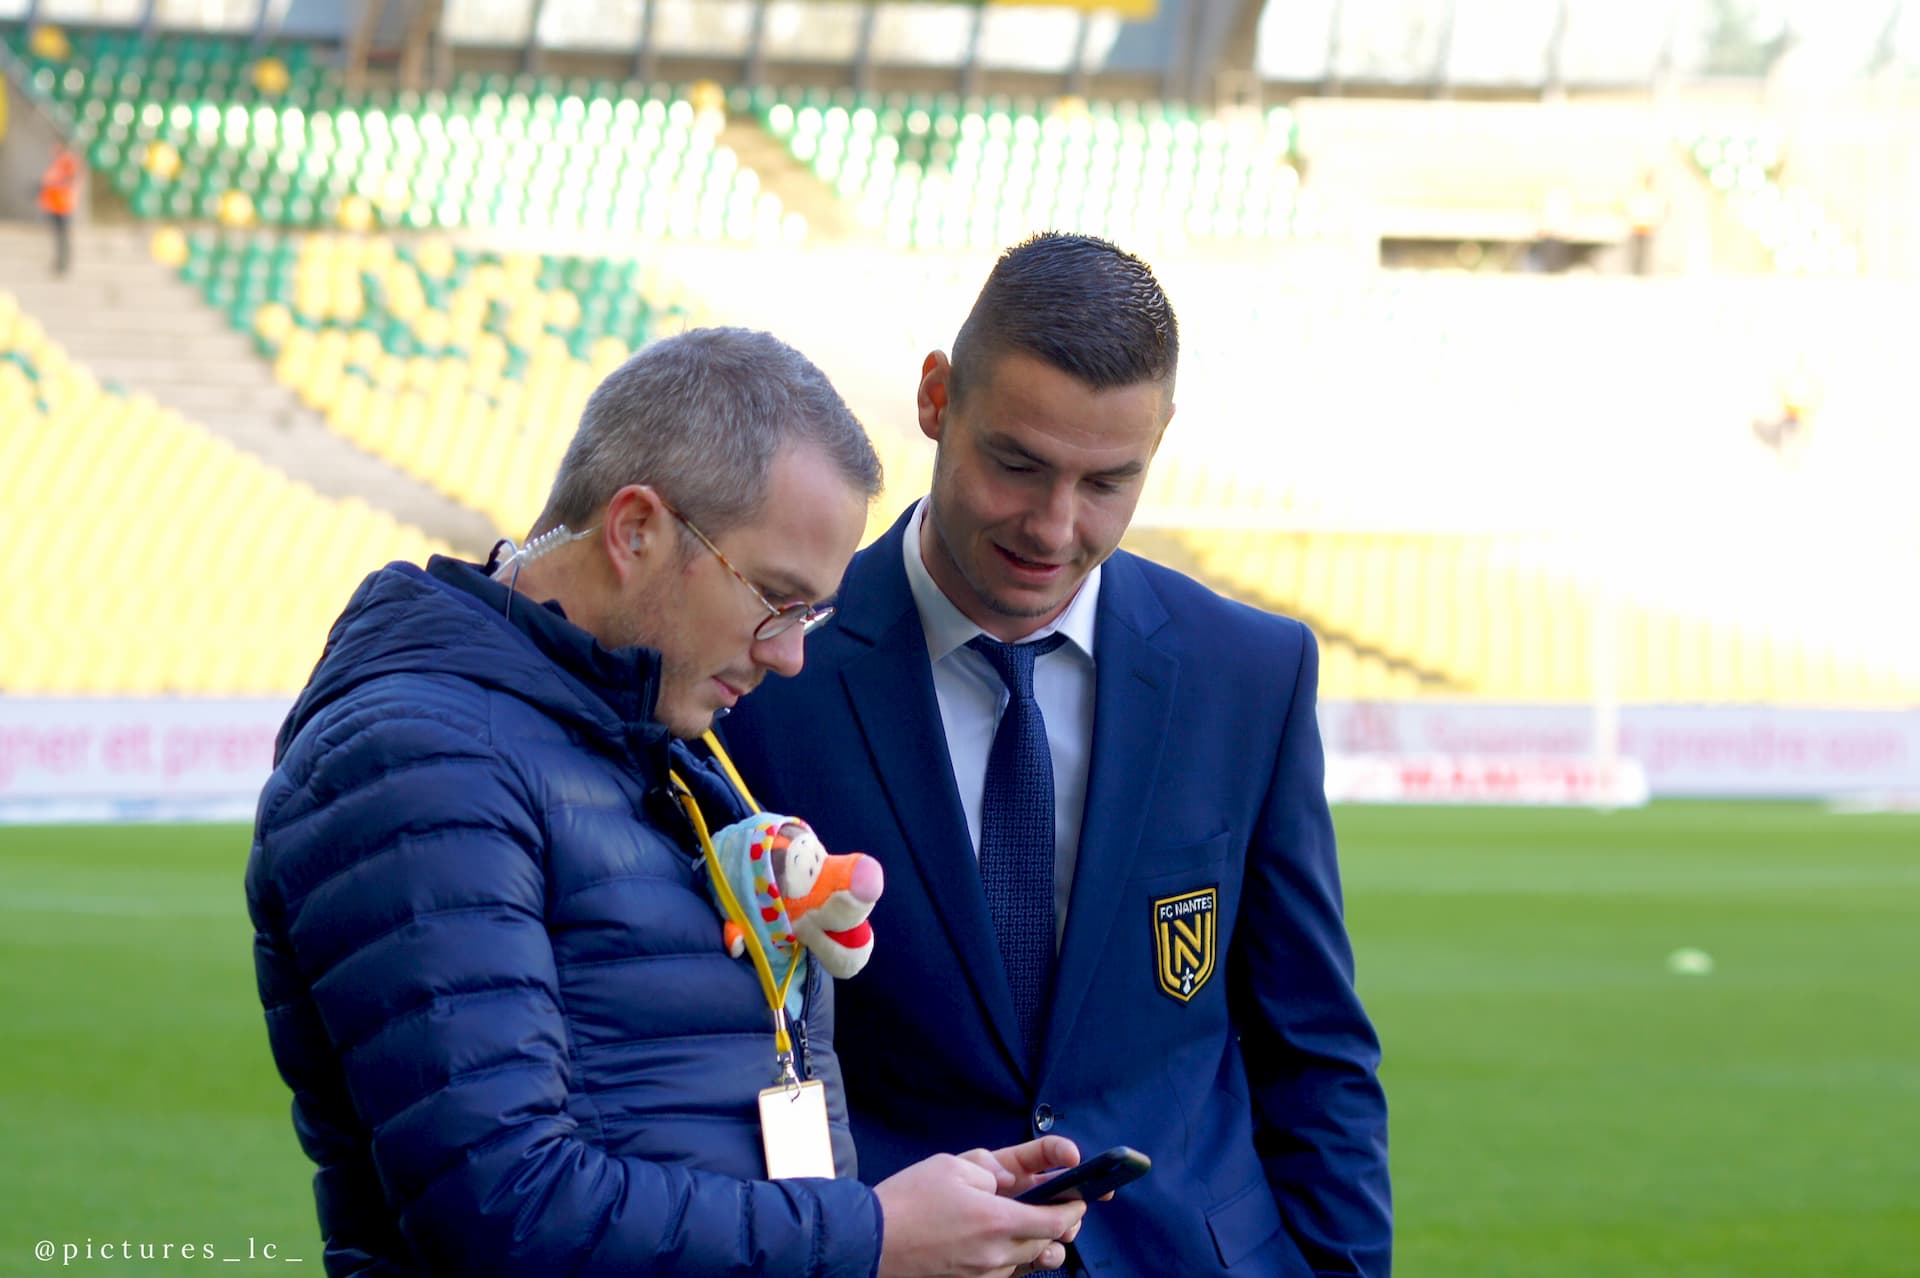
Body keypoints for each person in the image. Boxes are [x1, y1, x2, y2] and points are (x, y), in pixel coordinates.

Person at [246, 327, 1089, 1277]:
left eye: (810, 614)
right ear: (636, 530)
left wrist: (924, 1217)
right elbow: (505, 1210)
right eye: (775, 598)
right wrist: (872, 1237)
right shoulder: (418, 758)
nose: (790, 654)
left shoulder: (648, 733)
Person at [721, 235, 1392, 1276]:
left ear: (1158, 443)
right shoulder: (766, 669)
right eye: (1018, 465)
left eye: (1109, 481)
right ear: (937, 400)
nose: (1053, 525)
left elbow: (1314, 1046)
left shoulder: (1249, 673)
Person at [38, 144, 79, 276]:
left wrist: (56, 183)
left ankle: (64, 263)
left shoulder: (67, 161)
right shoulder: (55, 163)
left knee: (63, 236)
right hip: (54, 205)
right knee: (57, 236)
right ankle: (58, 262)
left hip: (63, 205)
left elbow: (71, 179)